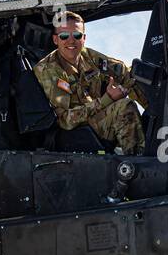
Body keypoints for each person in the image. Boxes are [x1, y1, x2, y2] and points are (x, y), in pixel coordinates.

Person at [33, 11, 148, 154]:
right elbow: (64, 120)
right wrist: (108, 99)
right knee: (123, 107)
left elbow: (123, 73)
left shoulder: (89, 56)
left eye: (76, 35)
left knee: (135, 83)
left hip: (94, 118)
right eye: (64, 36)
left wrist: (153, 104)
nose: (71, 41)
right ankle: (138, 165)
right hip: (73, 131)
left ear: (84, 38)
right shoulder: (48, 70)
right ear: (56, 40)